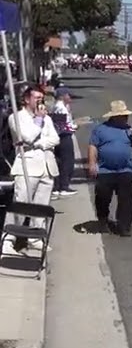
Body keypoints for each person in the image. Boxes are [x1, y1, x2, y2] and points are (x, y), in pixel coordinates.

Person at [7, 85, 60, 251]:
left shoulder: (47, 118)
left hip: (47, 166)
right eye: (36, 97)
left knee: (41, 205)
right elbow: (26, 136)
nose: (40, 100)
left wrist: (39, 143)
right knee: (20, 203)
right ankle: (10, 238)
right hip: (27, 166)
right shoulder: (17, 117)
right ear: (26, 99)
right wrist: (37, 120)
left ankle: (35, 237)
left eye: (41, 98)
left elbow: (55, 139)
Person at [88, 100, 132, 236]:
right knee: (102, 198)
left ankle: (124, 226)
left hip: (126, 170)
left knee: (127, 200)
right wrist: (92, 164)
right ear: (114, 116)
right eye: (123, 115)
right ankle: (103, 220)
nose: (126, 118)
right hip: (105, 170)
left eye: (126, 115)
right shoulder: (100, 130)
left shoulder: (129, 130)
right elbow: (93, 147)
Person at [49, 86, 78, 197]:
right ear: (62, 96)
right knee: (67, 162)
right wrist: (75, 126)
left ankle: (58, 186)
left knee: (61, 161)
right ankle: (63, 186)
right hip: (64, 137)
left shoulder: (62, 107)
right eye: (69, 95)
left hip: (62, 136)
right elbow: (62, 126)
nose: (71, 98)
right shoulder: (60, 108)